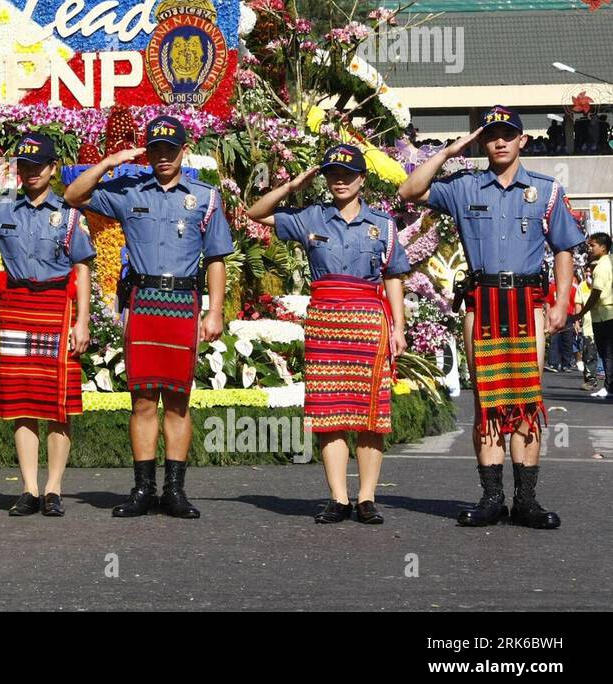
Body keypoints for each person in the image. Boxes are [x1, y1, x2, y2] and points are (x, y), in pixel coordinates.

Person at [399, 105, 585, 529]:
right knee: (487, 401)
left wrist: (560, 304)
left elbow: (563, 248)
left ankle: (526, 500)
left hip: (527, 304)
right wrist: (449, 152)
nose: (499, 141)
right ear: (481, 142)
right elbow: (409, 191)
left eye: (507, 134)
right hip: (481, 304)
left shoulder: (546, 189)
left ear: (522, 140)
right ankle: (491, 497)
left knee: (527, 399)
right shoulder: (464, 187)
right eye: (490, 135)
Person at [64, 115, 233, 518]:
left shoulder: (206, 197)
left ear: (183, 151)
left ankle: (174, 491)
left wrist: (215, 311)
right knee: (141, 400)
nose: (162, 156)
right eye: (155, 149)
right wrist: (108, 163)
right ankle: (142, 490)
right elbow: (73, 196)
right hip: (142, 302)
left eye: (169, 149)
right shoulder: (129, 190)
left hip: (182, 303)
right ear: (147, 152)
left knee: (177, 401)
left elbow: (216, 258)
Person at [247, 144, 410, 524]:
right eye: (332, 174)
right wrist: (292, 185)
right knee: (329, 411)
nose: (340, 180)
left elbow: (393, 276)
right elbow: (255, 212)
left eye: (347, 174)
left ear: (362, 179)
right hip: (325, 322)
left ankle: (367, 498)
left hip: (369, 321)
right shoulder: (311, 218)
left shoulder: (383, 225)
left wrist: (399, 326)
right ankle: (338, 498)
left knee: (371, 415)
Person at [0, 133, 94, 517]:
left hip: (58, 306)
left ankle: (54, 489)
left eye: (37, 166)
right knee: (22, 402)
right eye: (23, 166)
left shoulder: (70, 213)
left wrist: (84, 321)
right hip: (17, 307)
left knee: (58, 405)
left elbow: (82, 267)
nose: (30, 173)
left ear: (53, 169)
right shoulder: (3, 208)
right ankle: (28, 489)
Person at [577, 233, 612, 399]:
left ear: (603, 248)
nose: (590, 249)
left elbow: (596, 293)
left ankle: (609, 387)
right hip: (603, 315)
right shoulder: (605, 263)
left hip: (605, 315)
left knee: (607, 353)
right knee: (606, 353)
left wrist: (581, 313)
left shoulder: (602, 267)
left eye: (593, 246)